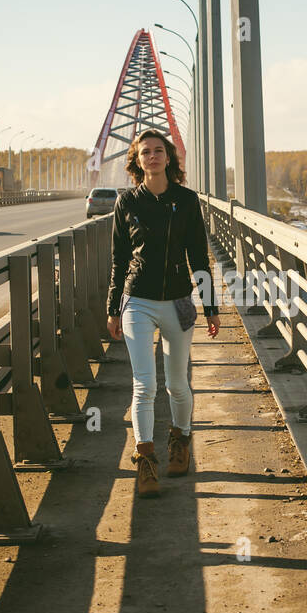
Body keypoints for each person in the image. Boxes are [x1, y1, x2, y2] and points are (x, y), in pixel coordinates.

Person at [107, 129, 221, 497]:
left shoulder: (186, 201)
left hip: (179, 300)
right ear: (137, 161)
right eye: (146, 152)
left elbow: (199, 258)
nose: (153, 157)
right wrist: (112, 309)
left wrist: (211, 307)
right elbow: (118, 260)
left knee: (176, 384)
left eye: (159, 151)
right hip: (136, 300)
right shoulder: (127, 203)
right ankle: (146, 462)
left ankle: (181, 441)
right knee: (145, 384)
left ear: (169, 158)